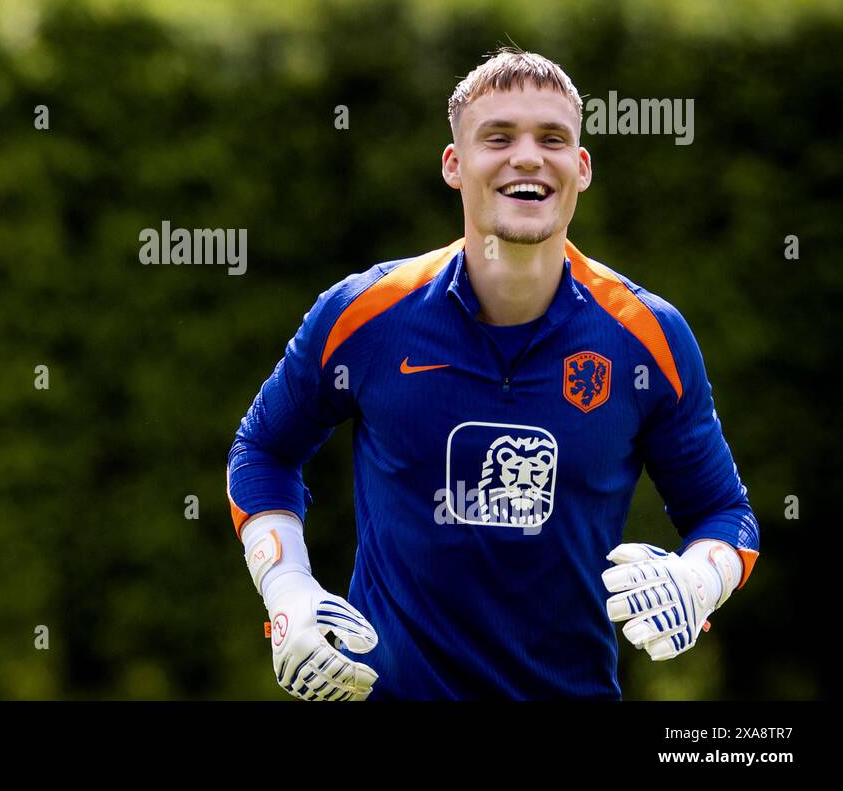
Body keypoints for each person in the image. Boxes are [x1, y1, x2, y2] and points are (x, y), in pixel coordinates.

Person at [226, 49, 760, 700]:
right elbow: (262, 450)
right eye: (499, 137)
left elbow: (725, 514)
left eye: (553, 138)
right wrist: (289, 594)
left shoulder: (646, 338)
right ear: (455, 164)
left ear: (581, 168)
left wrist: (698, 581)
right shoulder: (363, 315)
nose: (528, 157)